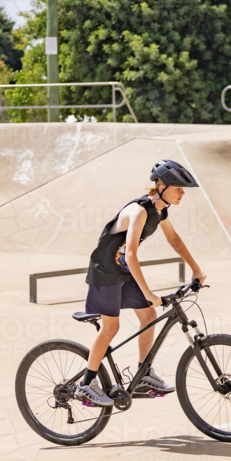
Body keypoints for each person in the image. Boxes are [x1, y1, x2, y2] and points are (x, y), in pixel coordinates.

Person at [75, 160, 207, 406]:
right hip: (105, 272)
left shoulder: (160, 210)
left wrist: (195, 268)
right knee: (111, 328)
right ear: (161, 186)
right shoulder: (139, 211)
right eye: (178, 187)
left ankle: (143, 374)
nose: (182, 192)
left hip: (122, 272)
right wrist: (147, 291)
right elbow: (131, 254)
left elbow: (174, 239)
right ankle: (86, 384)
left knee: (148, 317)